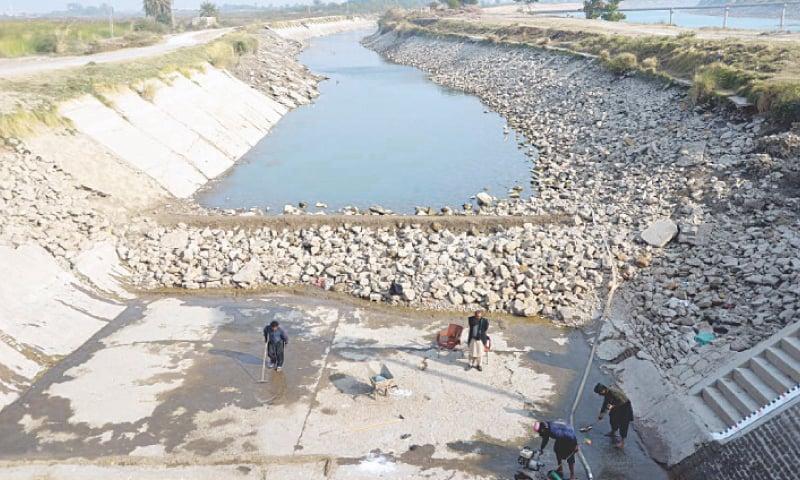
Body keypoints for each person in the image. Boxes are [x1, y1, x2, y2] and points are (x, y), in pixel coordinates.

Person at [595, 382, 634, 449]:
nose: (600, 394)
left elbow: (622, 401)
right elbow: (605, 403)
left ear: (604, 390)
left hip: (624, 406)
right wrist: (601, 414)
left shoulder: (613, 392)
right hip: (616, 407)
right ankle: (613, 431)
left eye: (600, 393)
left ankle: (622, 442)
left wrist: (612, 406)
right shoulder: (606, 394)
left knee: (623, 424)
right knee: (612, 418)